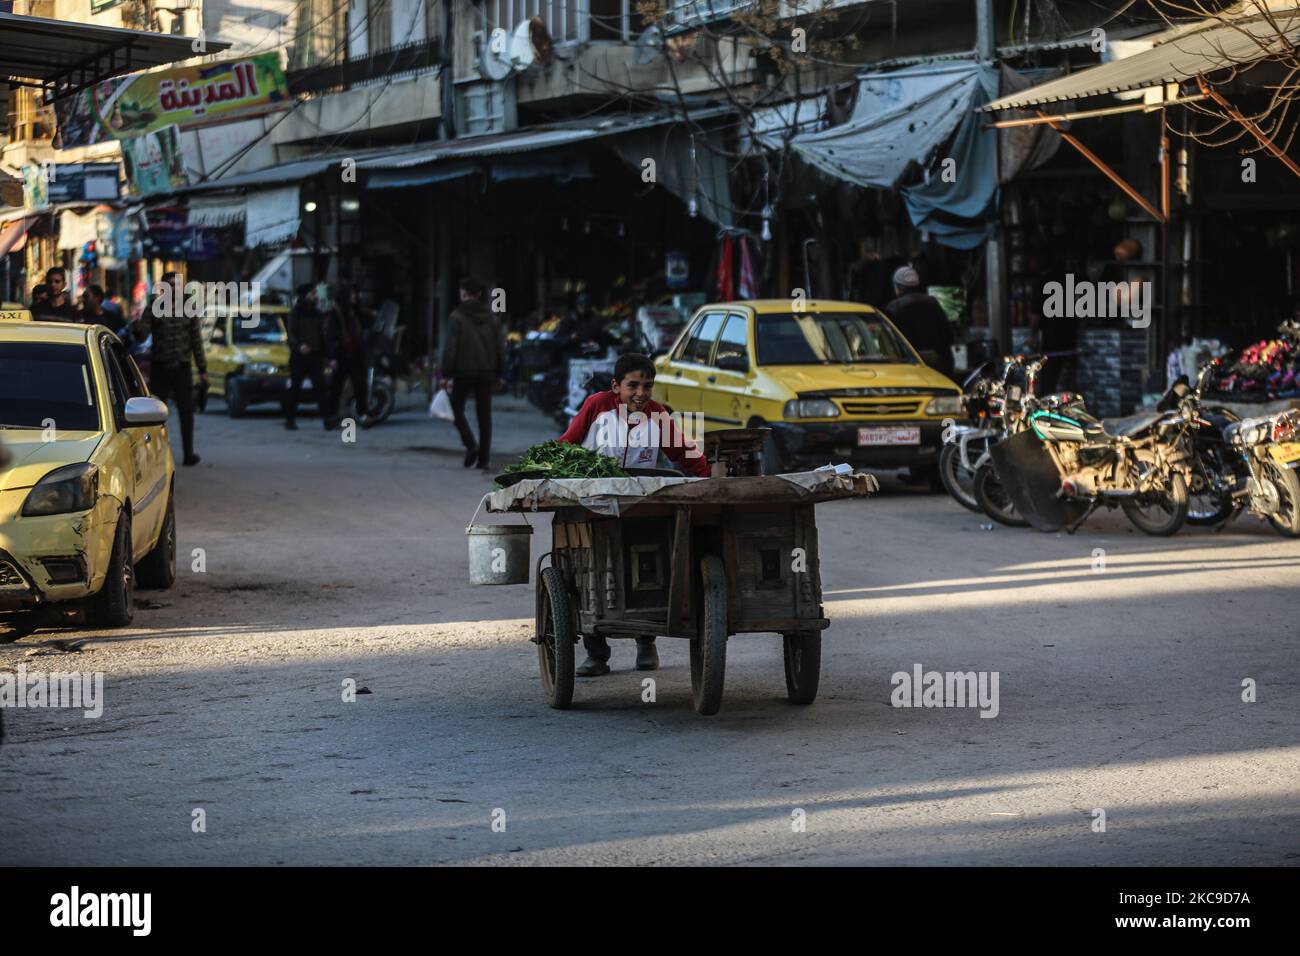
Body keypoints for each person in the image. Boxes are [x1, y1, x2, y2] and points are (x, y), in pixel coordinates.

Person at [557, 352, 711, 677]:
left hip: (643, 506)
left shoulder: (657, 414)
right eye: (633, 386)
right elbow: (567, 445)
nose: (641, 393)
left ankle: (646, 641)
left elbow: (685, 454)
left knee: (647, 568)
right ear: (616, 386)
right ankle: (596, 653)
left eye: (648, 386)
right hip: (594, 505)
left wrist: (713, 480)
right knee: (592, 572)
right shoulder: (596, 405)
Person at [136, 272, 206, 466]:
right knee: (156, 415)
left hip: (182, 367)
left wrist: (202, 369)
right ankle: (155, 455)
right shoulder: (154, 307)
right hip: (160, 366)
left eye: (177, 285)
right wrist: (137, 325)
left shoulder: (188, 308)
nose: (174, 288)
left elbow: (196, 340)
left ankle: (188, 453)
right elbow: (142, 334)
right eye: (170, 285)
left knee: (186, 411)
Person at [441, 276, 503, 469]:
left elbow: (451, 348)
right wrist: (500, 372)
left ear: (464, 293)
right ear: (479, 295)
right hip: (486, 372)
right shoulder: (492, 318)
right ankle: (483, 458)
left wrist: (445, 373)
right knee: (484, 415)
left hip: (463, 372)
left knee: (455, 408)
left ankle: (470, 444)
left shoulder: (456, 316)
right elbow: (500, 348)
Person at [884, 265, 955, 379]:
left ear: (897, 288)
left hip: (909, 370)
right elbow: (948, 336)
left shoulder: (894, 308)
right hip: (940, 368)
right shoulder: (933, 303)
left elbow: (889, 344)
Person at [284, 283, 335, 431]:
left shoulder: (317, 313)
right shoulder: (295, 312)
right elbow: (291, 333)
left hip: (315, 356)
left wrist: (329, 357)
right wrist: (299, 345)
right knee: (295, 389)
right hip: (299, 357)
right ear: (305, 295)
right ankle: (290, 420)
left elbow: (322, 336)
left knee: (320, 389)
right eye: (312, 294)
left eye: (315, 294)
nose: (316, 296)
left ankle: (327, 419)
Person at [325, 284, 369, 429]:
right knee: (336, 387)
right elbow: (331, 337)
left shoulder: (355, 312)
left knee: (360, 385)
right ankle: (331, 415)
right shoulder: (336, 313)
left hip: (355, 354)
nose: (354, 297)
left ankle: (363, 413)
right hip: (341, 355)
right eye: (351, 295)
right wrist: (332, 357)